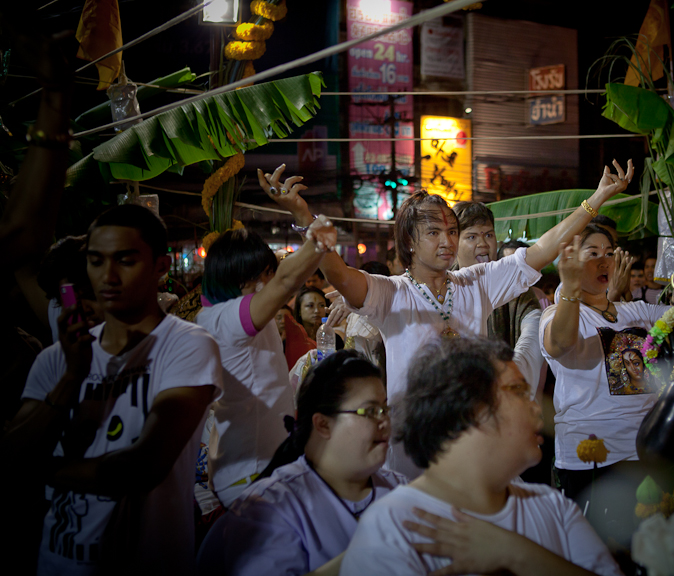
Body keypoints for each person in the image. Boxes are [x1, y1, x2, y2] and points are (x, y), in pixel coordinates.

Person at [262, 160, 634, 477]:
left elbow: (542, 249)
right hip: (411, 447)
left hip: (475, 437)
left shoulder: (477, 281)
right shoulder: (390, 292)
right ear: (409, 241)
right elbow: (341, 275)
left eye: (452, 231)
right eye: (435, 232)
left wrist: (597, 198)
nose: (448, 241)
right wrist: (302, 216)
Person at [4, 204, 223, 575]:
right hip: (57, 561)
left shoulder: (186, 345)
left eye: (125, 260)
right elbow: (14, 449)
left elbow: (141, 467)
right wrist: (73, 376)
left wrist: (35, 469)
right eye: (95, 261)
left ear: (161, 266)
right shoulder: (57, 360)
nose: (108, 276)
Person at [340, 337, 623, 576]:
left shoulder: (553, 507)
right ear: (468, 407)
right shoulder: (394, 527)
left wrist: (518, 554)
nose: (537, 408)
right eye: (518, 390)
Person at [540, 224, 674, 544]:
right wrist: (569, 285)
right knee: (597, 550)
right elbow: (560, 343)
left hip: (646, 448)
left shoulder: (635, 311)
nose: (604, 261)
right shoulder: (558, 314)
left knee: (653, 546)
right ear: (570, 260)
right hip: (592, 455)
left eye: (609, 253)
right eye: (592, 253)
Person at [197, 350, 406, 576]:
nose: (385, 420)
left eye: (386, 409)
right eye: (371, 411)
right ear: (323, 424)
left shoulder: (399, 490)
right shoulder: (271, 506)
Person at [197, 171, 336, 507]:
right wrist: (316, 237)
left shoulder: (223, 312)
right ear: (235, 278)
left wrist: (299, 212)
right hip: (253, 476)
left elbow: (288, 276)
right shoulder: (225, 318)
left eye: (268, 276)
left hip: (261, 467)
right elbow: (287, 282)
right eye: (259, 278)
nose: (267, 286)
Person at [452, 201, 543, 397]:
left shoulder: (515, 284)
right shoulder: (441, 285)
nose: (483, 244)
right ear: (453, 243)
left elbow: (532, 329)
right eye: (472, 236)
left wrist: (511, 374)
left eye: (488, 235)